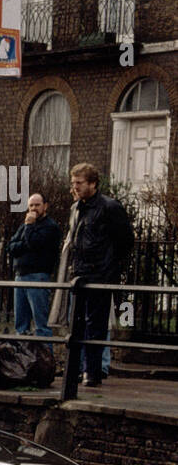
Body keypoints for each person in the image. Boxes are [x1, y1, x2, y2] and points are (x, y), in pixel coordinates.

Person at [67, 163, 133, 387]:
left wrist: (109, 266)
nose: (75, 187)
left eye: (79, 183)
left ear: (93, 183)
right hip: (79, 274)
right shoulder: (76, 208)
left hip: (100, 274)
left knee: (95, 324)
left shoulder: (109, 207)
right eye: (73, 183)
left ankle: (92, 372)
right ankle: (75, 370)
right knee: (76, 324)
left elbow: (125, 241)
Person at [8, 192, 60, 338]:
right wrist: (26, 237)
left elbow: (34, 244)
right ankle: (22, 357)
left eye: (37, 205)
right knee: (21, 325)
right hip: (20, 276)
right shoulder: (25, 226)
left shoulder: (50, 227)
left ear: (45, 206)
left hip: (38, 276)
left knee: (41, 324)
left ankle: (45, 358)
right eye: (31, 205)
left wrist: (29, 228)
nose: (34, 208)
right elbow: (11, 247)